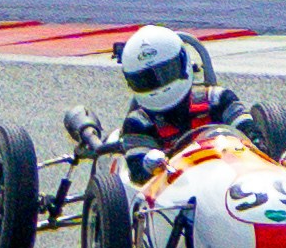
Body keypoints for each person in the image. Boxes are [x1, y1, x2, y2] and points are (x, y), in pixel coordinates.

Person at [108, 22, 255, 157]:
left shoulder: (219, 99)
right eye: (145, 80)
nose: (159, 85)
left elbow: (251, 136)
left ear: (183, 63)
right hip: (174, 182)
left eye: (166, 73)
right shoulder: (138, 123)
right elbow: (140, 174)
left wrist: (256, 141)